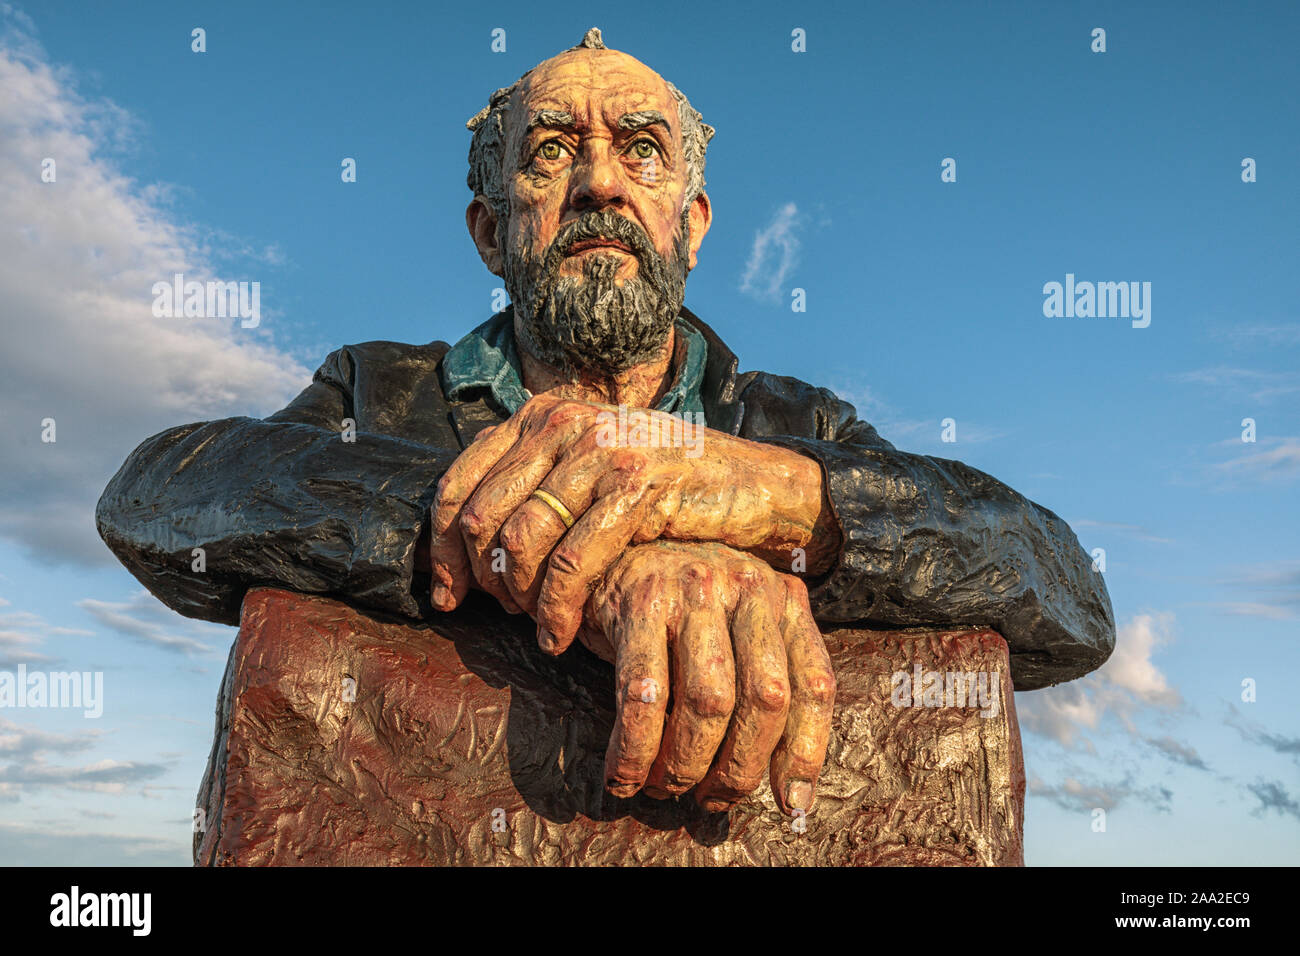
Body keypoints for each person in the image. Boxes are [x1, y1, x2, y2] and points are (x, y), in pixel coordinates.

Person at [98, 28, 1114, 820]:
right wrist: (548, 537)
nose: (599, 181)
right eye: (549, 153)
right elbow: (158, 491)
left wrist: (787, 498)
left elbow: (1066, 600)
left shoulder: (794, 422)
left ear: (692, 220)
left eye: (640, 149)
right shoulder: (378, 395)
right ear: (492, 233)